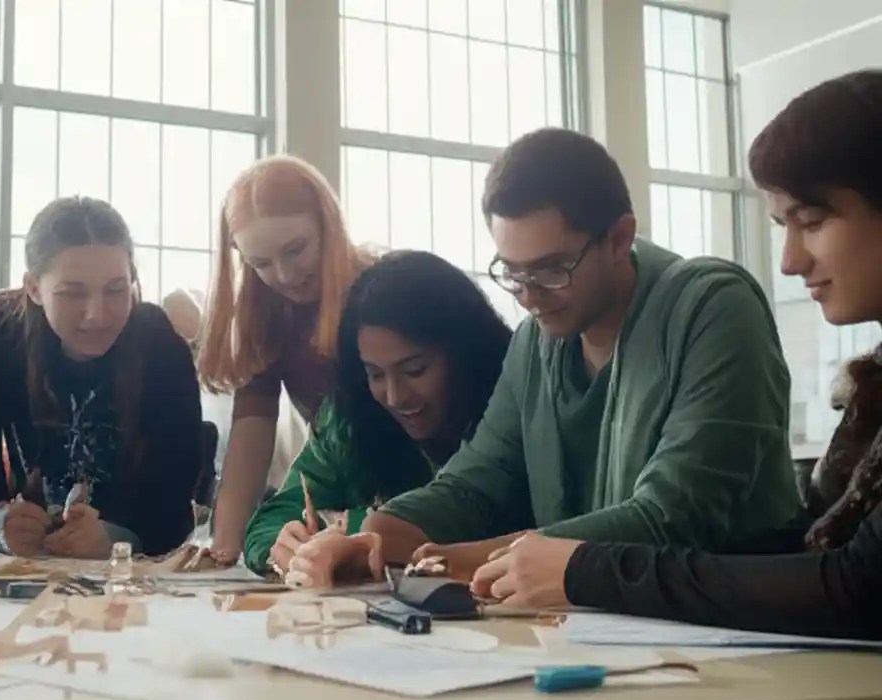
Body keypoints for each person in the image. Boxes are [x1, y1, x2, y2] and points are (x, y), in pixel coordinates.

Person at [471, 70, 882, 640]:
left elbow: (858, 588)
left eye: (811, 222)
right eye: (782, 226)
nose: (789, 261)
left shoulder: (710, 304)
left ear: (619, 240)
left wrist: (582, 567)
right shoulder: (873, 391)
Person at [312, 127, 806, 584]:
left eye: (551, 270)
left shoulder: (713, 307)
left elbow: (674, 515)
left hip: (743, 626)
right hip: (608, 622)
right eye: (512, 272)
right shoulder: (537, 340)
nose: (528, 296)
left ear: (618, 239)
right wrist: (379, 533)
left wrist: (477, 559)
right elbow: (479, 481)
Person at [0, 196, 201, 559]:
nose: (96, 314)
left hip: (130, 568)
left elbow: (178, 494)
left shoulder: (158, 342)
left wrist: (119, 538)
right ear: (34, 288)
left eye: (116, 289)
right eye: (72, 293)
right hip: (28, 558)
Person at [242, 251, 512, 575]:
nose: (395, 396)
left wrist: (351, 527)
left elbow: (480, 521)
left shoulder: (511, 406)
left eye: (415, 370)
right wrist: (287, 550)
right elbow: (277, 514)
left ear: (466, 353)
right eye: (375, 374)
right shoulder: (351, 415)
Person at [199, 155, 371, 564]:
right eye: (260, 263)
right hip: (336, 492)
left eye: (296, 250)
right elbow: (249, 441)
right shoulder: (264, 314)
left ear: (328, 226)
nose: (285, 274)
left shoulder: (381, 289)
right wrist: (223, 548)